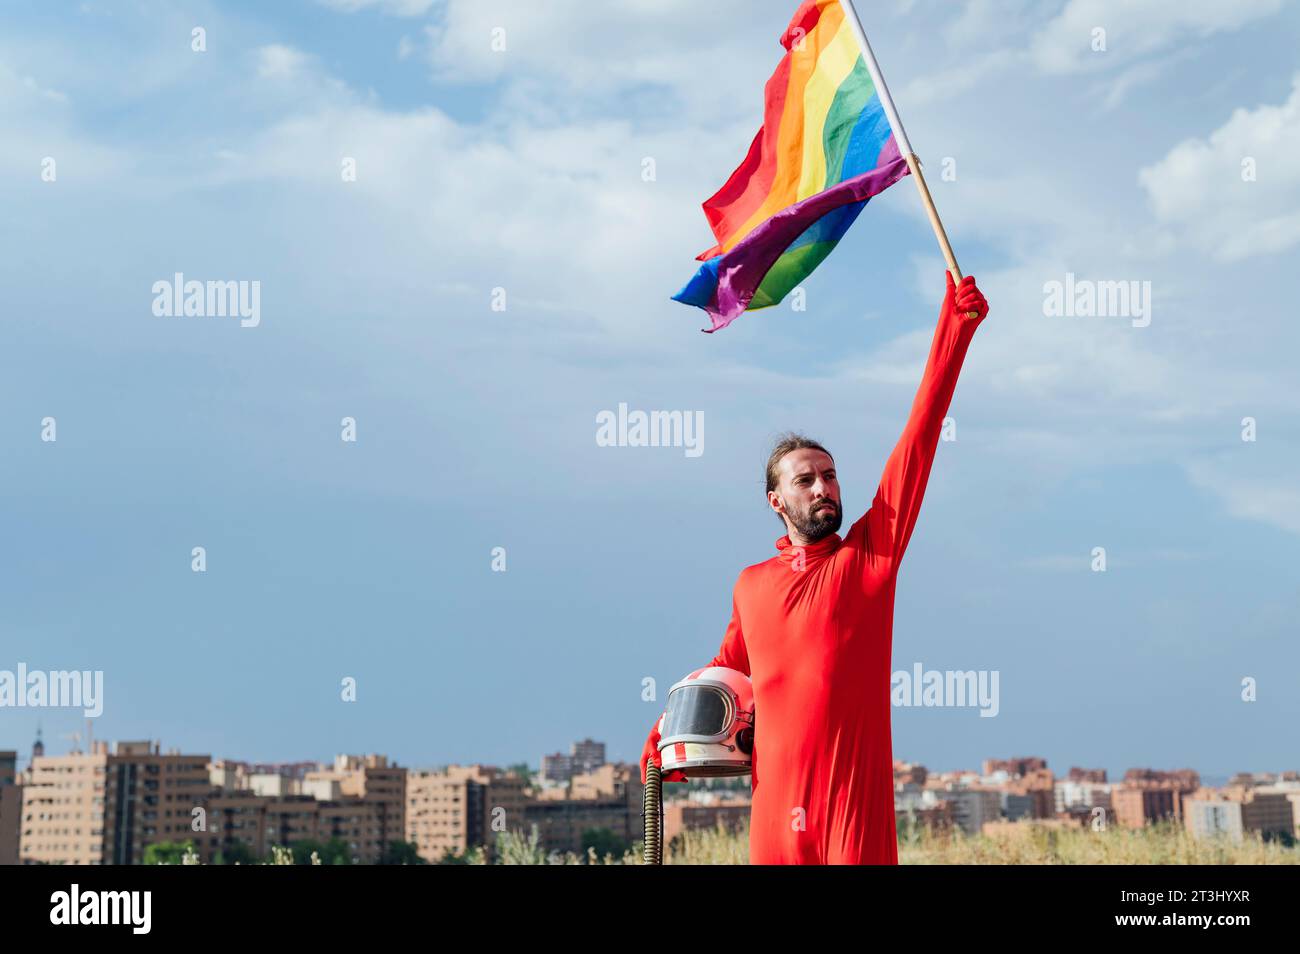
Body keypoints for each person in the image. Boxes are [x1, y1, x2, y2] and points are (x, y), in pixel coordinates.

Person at [640, 271, 990, 864]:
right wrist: (664, 736)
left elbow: (918, 439)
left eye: (829, 475)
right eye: (805, 480)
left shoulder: (869, 557)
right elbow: (728, 670)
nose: (824, 487)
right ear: (777, 501)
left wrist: (953, 330)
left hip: (852, 804)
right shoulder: (752, 585)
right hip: (774, 807)